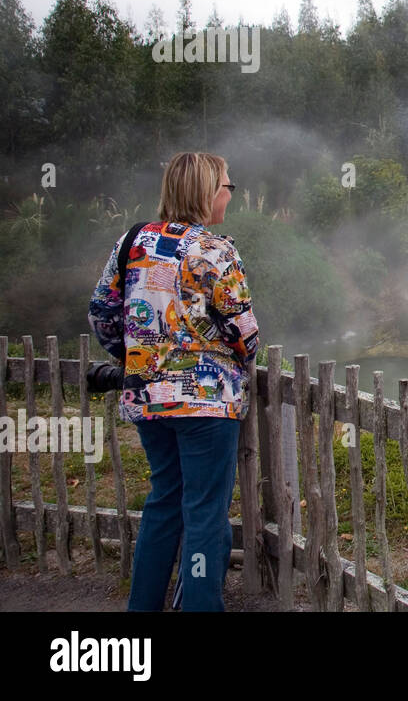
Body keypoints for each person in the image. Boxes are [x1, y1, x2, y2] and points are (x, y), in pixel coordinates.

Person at [88, 152, 259, 611]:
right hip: (205, 404)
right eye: (228, 186)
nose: (230, 195)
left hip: (147, 398)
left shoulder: (132, 242)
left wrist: (139, 359)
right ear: (207, 194)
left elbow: (103, 313)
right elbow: (242, 329)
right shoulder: (216, 250)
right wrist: (237, 358)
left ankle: (142, 608)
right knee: (204, 514)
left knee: (164, 502)